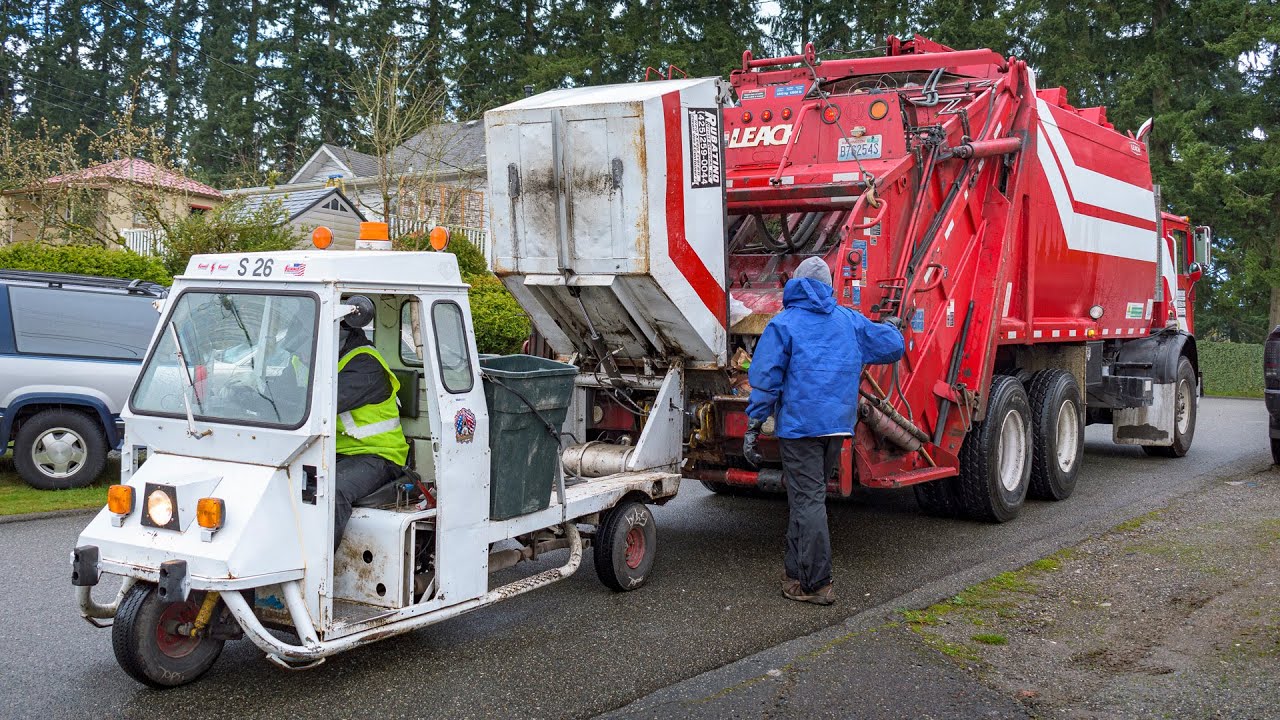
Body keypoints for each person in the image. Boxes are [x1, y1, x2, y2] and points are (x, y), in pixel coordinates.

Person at [744, 257, 905, 605]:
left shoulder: (783, 324)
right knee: (806, 499)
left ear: (796, 284)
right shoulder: (848, 320)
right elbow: (893, 347)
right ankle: (795, 573)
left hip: (799, 428)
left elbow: (765, 380)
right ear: (828, 286)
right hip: (835, 429)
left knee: (807, 501)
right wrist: (892, 326)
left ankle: (817, 583)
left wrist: (754, 424)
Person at [333, 295, 410, 549]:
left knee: (331, 492)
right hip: (335, 452)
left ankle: (312, 580)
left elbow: (318, 403)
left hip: (379, 455)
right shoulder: (313, 359)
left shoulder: (364, 364)